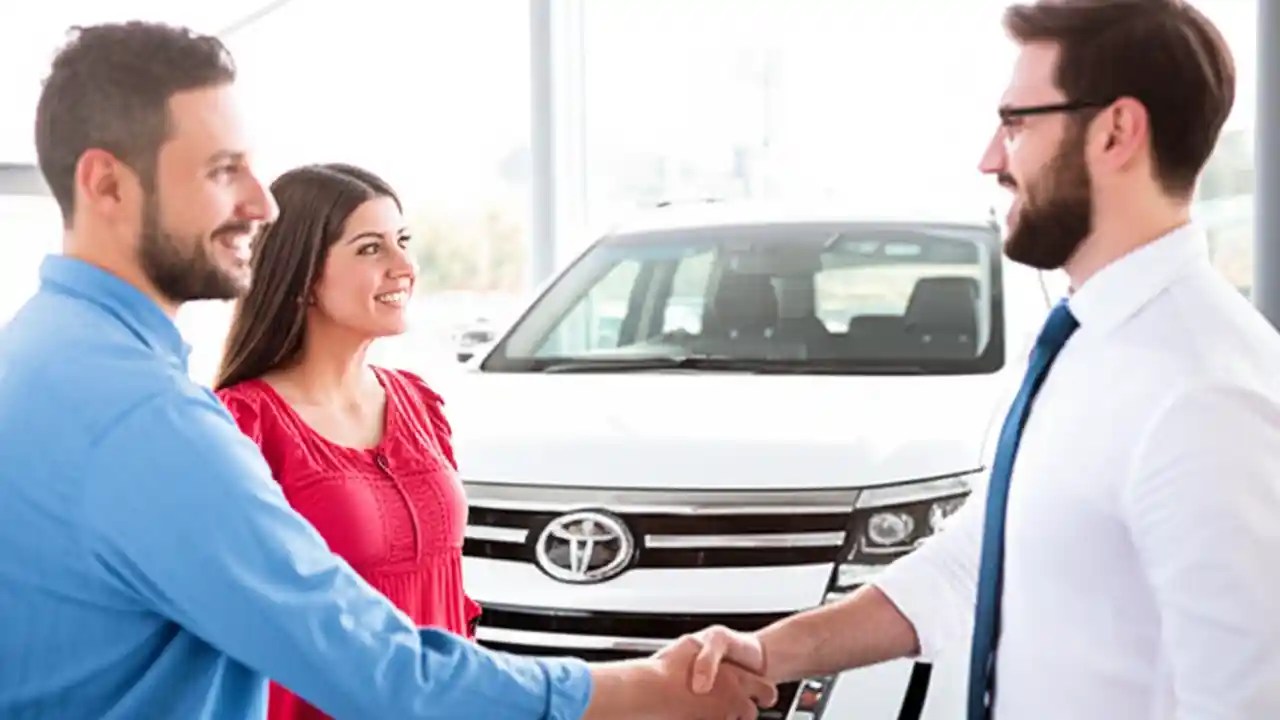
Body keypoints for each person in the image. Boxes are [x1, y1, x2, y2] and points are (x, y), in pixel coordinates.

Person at [0, 21, 776, 720]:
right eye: (221, 170)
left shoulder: (40, 356)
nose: (262, 204)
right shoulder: (149, 419)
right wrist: (631, 692)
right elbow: (367, 666)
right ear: (106, 183)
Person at [681, 1, 1280, 719]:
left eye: (1017, 122)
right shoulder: (1078, 340)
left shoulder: (1206, 393)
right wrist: (771, 652)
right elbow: (975, 565)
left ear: (1116, 131)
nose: (991, 158)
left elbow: (1248, 701)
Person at [212, 162, 481, 720]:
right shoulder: (243, 425)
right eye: (370, 249)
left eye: (402, 241)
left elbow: (455, 602)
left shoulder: (419, 403)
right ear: (304, 274)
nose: (404, 267)